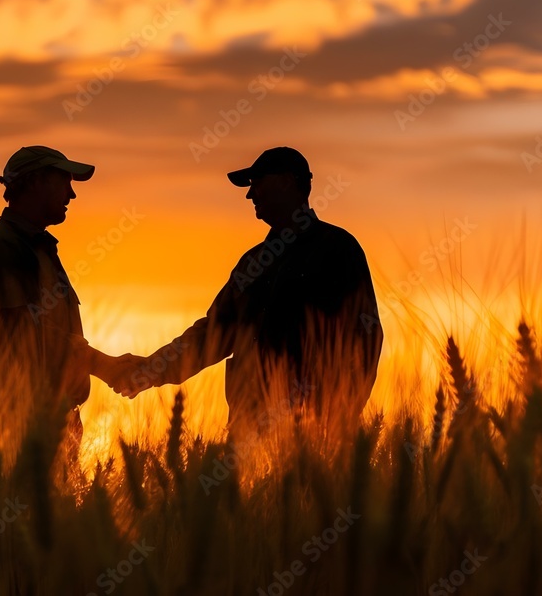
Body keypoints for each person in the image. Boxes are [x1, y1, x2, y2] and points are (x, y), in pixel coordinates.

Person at [115, 147, 383, 442]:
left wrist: (338, 420)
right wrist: (152, 369)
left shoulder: (338, 249)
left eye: (257, 182)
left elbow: (366, 337)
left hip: (315, 438)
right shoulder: (253, 263)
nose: (249, 194)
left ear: (287, 181)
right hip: (248, 435)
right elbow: (213, 334)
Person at [0, 145, 139, 457]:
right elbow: (21, 335)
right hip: (21, 419)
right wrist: (102, 364)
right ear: (35, 182)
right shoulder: (3, 249)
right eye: (64, 182)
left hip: (53, 419)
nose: (71, 195)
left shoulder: (35, 248)